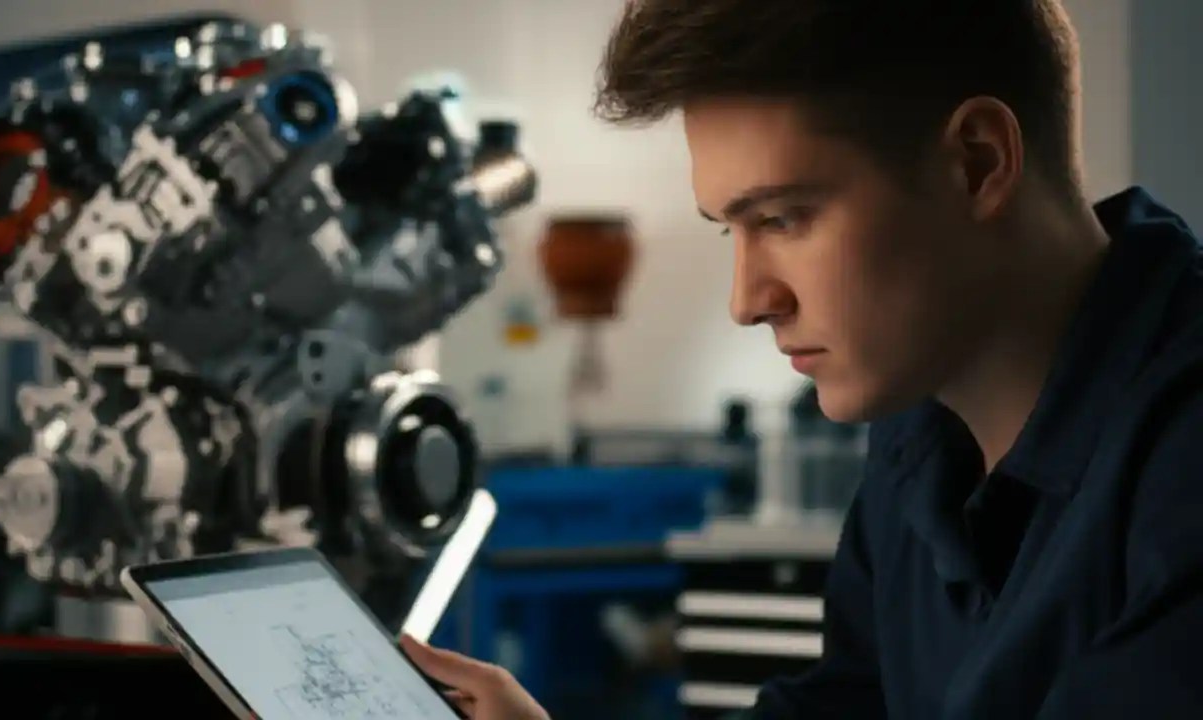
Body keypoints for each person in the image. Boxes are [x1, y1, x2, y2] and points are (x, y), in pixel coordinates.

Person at [403, 0, 1203, 717]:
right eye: (730, 229)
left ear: (980, 162)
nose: (748, 301)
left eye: (783, 218)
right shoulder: (918, 432)